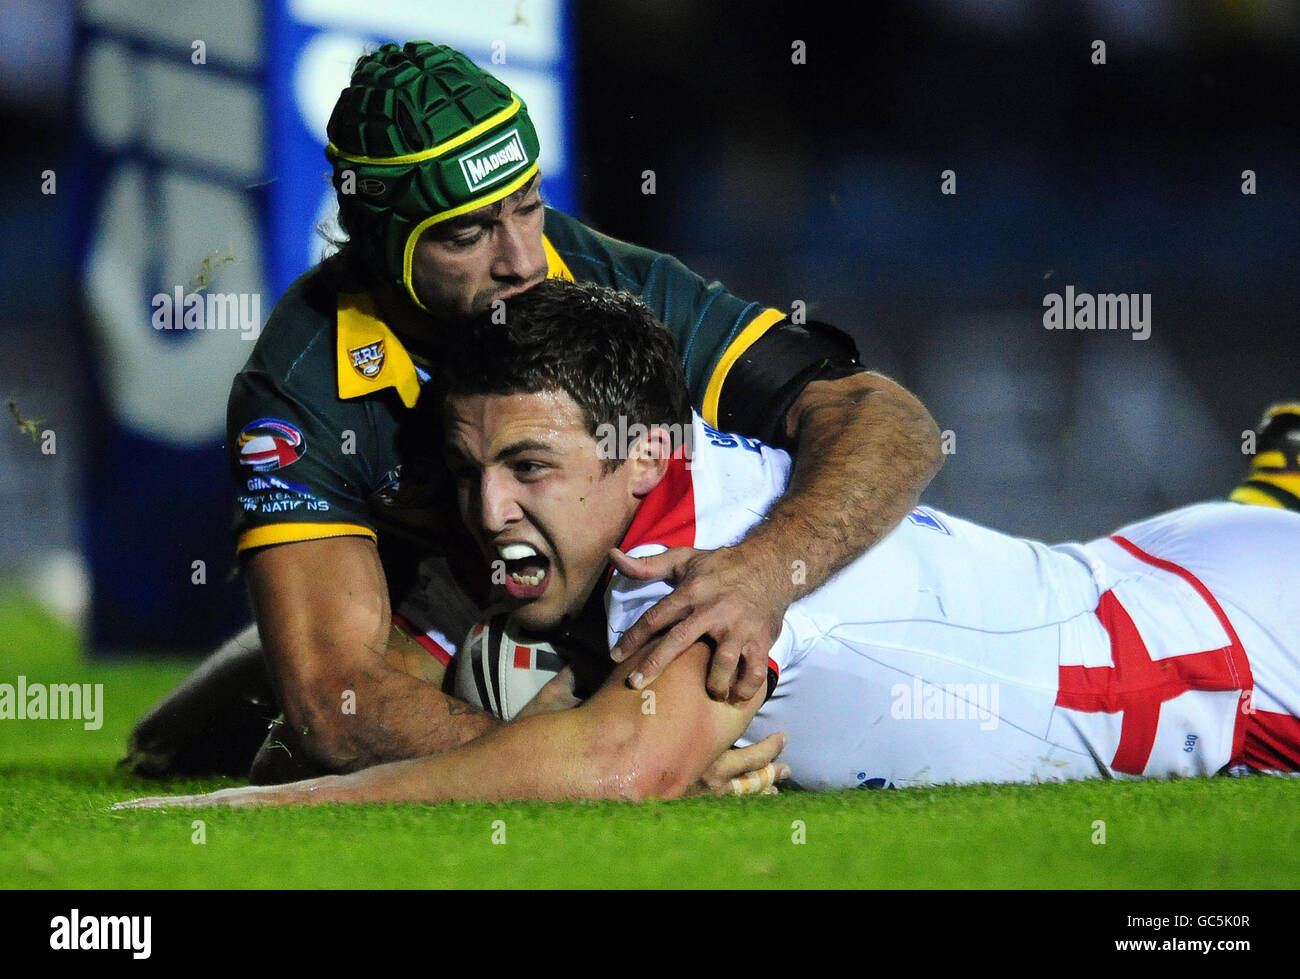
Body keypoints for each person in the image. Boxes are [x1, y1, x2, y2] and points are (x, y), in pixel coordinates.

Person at [114, 281, 1300, 811]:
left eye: (526, 470)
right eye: (471, 472)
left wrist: (267, 817)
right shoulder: (592, 512)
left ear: (640, 456)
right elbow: (302, 697)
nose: (488, 512)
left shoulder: (700, 565)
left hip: (1244, 656)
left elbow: (623, 770)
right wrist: (243, 739)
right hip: (1166, 562)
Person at [122, 40, 945, 780]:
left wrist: (767, 570)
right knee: (207, 744)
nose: (523, 259)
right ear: (378, 244)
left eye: (526, 203)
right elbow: (337, 697)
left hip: (573, 591)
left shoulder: (616, 285)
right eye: (467, 234)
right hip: (419, 602)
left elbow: (887, 418)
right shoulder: (299, 384)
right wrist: (584, 763)